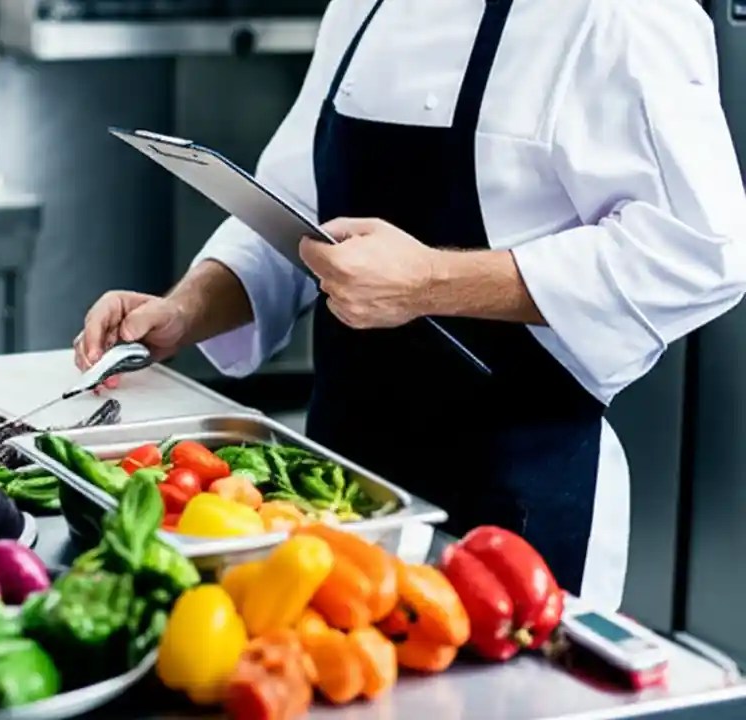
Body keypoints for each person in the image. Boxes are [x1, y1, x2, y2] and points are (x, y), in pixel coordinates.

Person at [74, 0, 746, 611]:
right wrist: (187, 310)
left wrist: (428, 282)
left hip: (517, 511)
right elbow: (293, 213)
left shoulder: (618, 15)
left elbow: (703, 251)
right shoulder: (364, 7)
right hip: (340, 491)